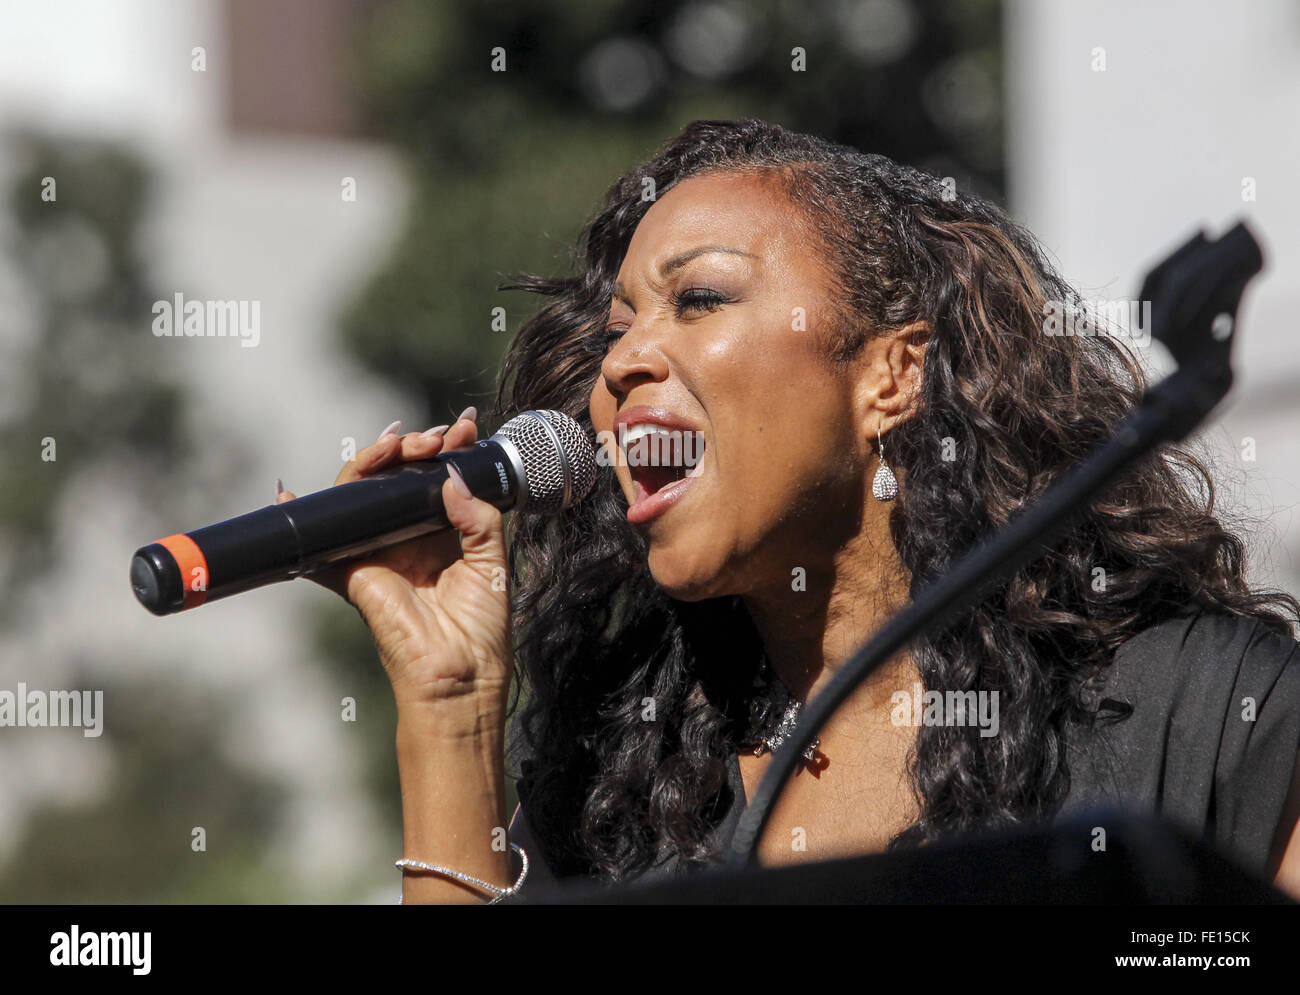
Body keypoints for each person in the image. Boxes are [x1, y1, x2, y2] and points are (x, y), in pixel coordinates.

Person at [277, 119, 1300, 904]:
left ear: (893, 375)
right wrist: (449, 700)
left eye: (701, 299)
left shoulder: (1210, 712)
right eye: (617, 327)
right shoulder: (619, 788)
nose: (622, 359)